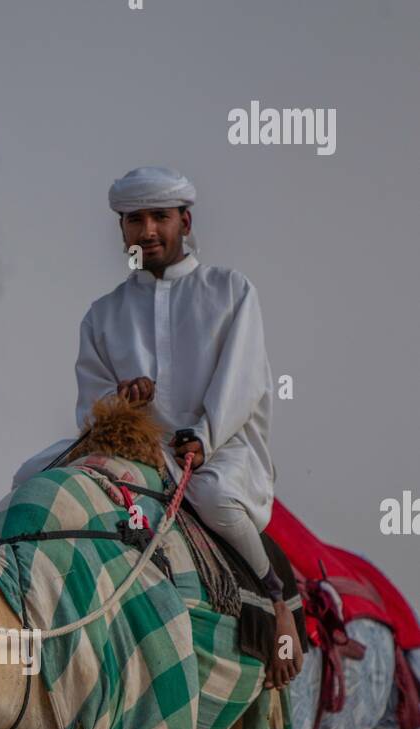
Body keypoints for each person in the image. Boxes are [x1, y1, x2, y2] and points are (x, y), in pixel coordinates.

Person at [20, 165, 302, 689]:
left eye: (160, 218)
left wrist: (203, 434)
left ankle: (277, 601)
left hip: (220, 450)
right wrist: (120, 401)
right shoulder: (102, 314)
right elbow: (91, 406)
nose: (147, 230)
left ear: (185, 221)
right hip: (138, 454)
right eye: (134, 220)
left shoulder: (231, 292)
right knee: (31, 475)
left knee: (215, 498)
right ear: (121, 230)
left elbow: (242, 383)